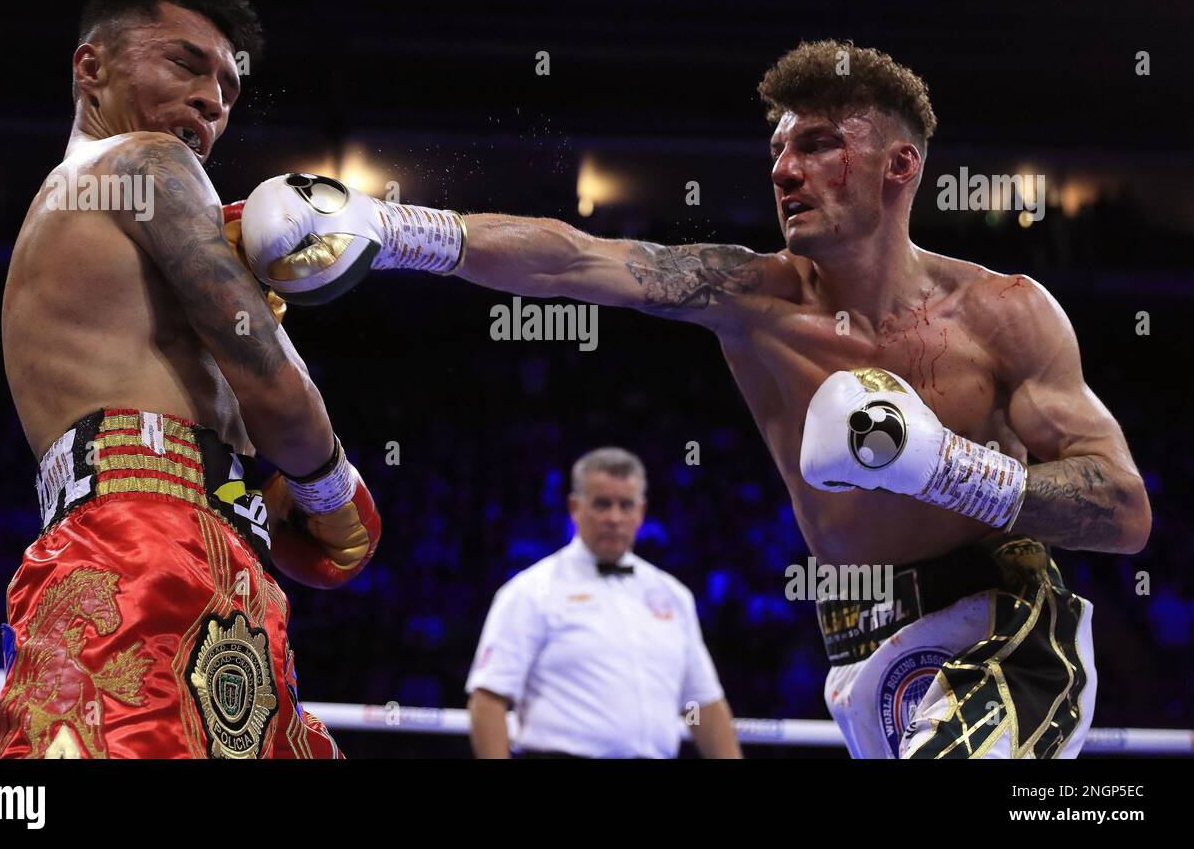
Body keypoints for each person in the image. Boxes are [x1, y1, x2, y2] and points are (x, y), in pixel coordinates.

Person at [240, 40, 1151, 758]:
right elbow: (575, 257)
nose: (786, 168)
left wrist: (951, 467)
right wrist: (392, 226)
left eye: (820, 143)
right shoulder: (748, 298)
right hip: (859, 641)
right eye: (779, 148)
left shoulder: (1007, 314)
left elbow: (1122, 510)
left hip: (1006, 621)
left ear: (900, 166)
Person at [0, 0, 379, 759]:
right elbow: (270, 379)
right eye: (186, 63)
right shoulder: (145, 164)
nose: (213, 99)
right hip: (147, 553)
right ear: (90, 68)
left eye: (230, 88)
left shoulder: (69, 208)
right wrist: (333, 488)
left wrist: (254, 496)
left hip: (157, 546)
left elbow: (187, 414)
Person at [465, 448, 740, 759]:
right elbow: (487, 699)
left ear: (642, 511)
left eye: (626, 505)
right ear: (574, 507)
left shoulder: (672, 595)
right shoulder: (530, 592)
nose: (614, 518)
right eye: (602, 504)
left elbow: (704, 703)